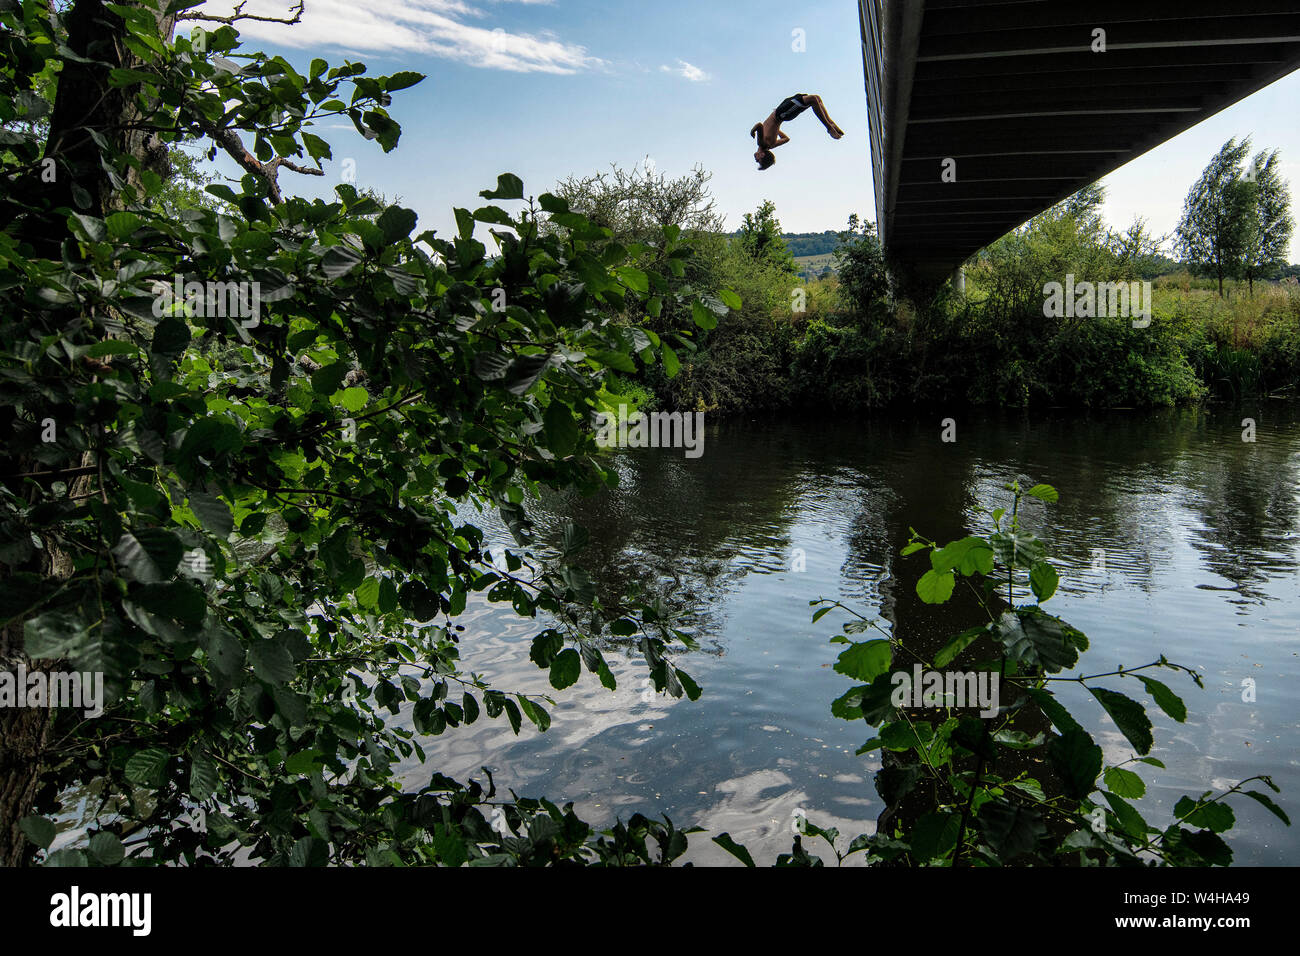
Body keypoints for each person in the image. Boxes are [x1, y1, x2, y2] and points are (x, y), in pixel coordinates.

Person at [751, 93, 844, 170]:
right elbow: (759, 125)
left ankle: (830, 123)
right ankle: (829, 127)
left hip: (781, 111)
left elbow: (786, 139)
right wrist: (753, 131)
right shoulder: (761, 143)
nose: (756, 160)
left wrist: (775, 128)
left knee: (816, 99)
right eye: (758, 161)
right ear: (762, 155)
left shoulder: (771, 145)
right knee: (813, 100)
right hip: (782, 113)